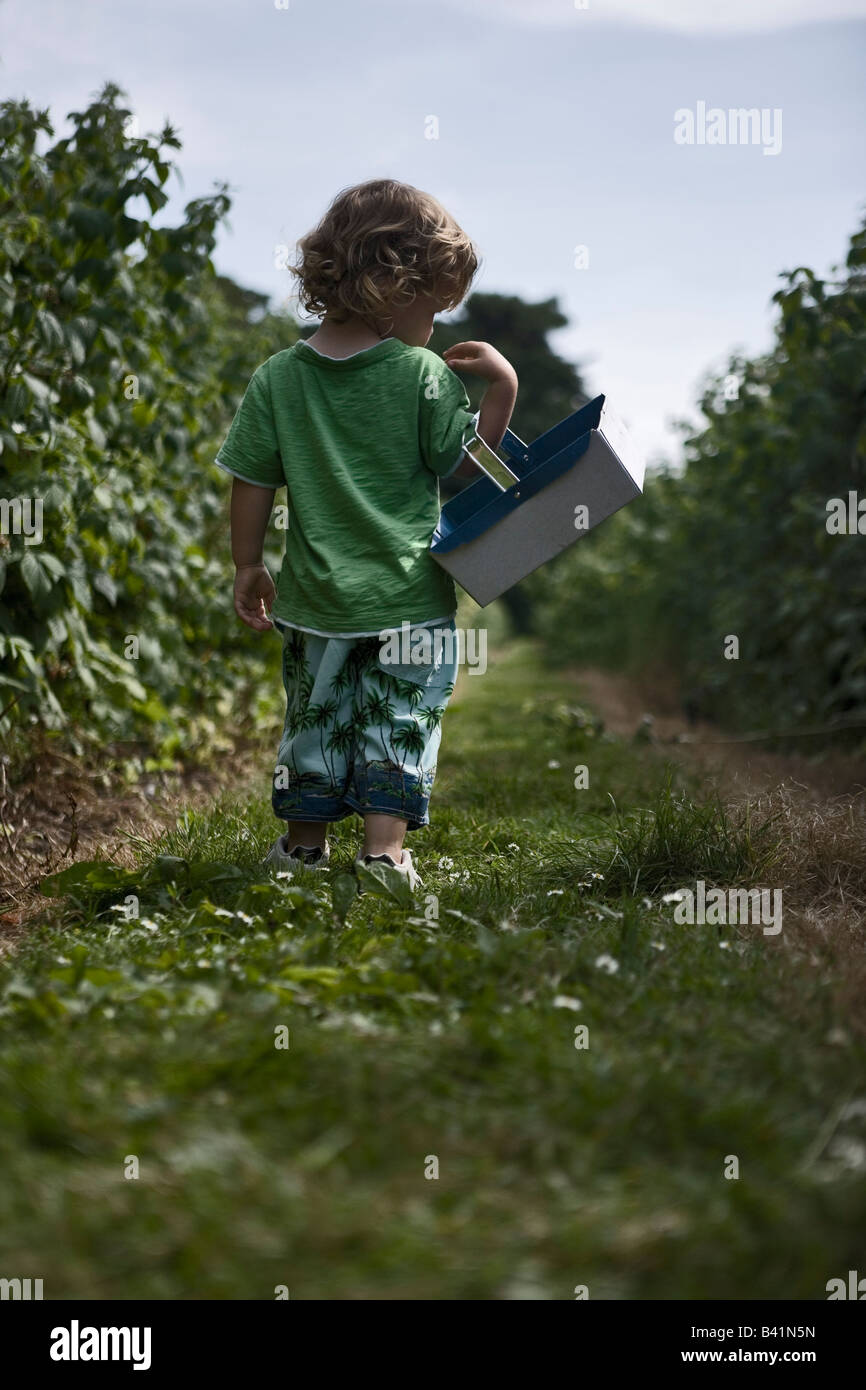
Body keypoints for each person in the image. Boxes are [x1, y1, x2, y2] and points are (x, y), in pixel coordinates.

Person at [217, 179, 518, 887]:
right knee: (401, 719)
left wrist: (247, 564)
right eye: (433, 304)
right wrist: (501, 388)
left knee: (315, 719)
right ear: (393, 283)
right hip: (409, 596)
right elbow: (471, 464)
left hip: (316, 599)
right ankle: (384, 857)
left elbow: (251, 480)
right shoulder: (421, 377)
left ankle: (301, 851)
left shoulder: (278, 379)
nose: (436, 325)